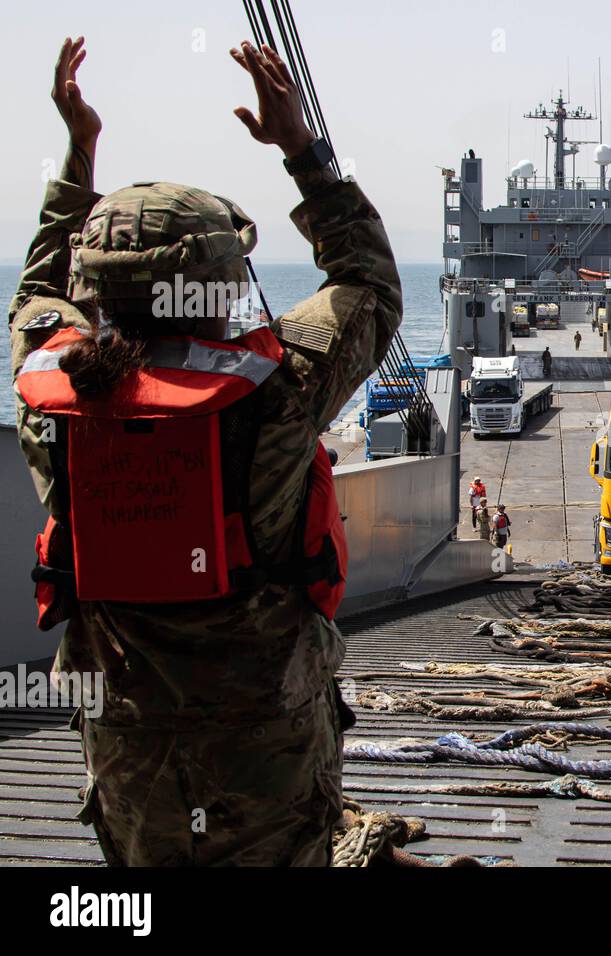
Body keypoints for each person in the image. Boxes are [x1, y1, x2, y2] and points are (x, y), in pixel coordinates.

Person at [7, 38, 402, 866]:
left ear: (94, 287)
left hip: (128, 747)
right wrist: (302, 151)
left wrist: (77, 154)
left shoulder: (54, 395)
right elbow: (367, 284)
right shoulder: (280, 388)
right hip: (266, 747)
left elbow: (37, 296)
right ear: (222, 283)